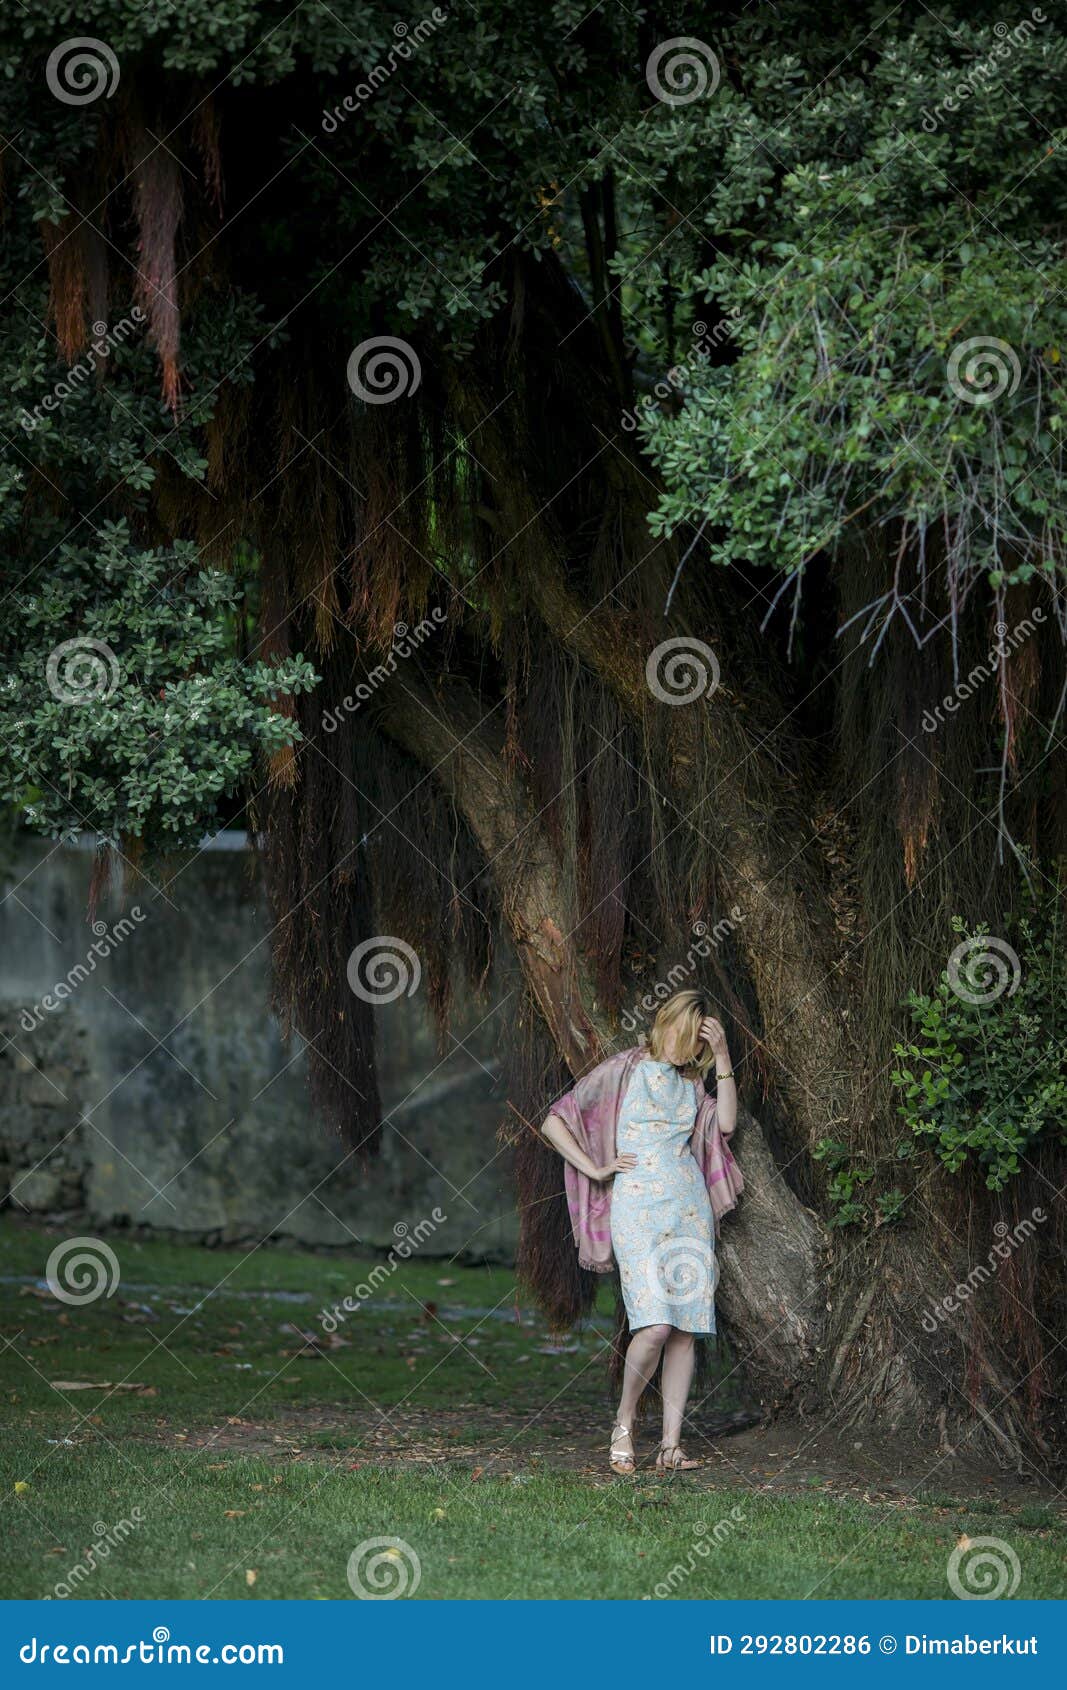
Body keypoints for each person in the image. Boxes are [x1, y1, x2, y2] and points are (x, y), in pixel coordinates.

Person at [540, 989, 741, 1473]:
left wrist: (722, 1057)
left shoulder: (693, 1084)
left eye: (695, 1042)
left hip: (688, 1212)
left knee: (685, 1331)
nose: (684, 1046)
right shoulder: (623, 1070)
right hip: (636, 1209)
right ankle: (625, 1422)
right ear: (662, 1023)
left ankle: (671, 1445)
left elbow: (728, 1125)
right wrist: (594, 1167)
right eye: (680, 1033)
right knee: (653, 1325)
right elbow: (554, 1121)